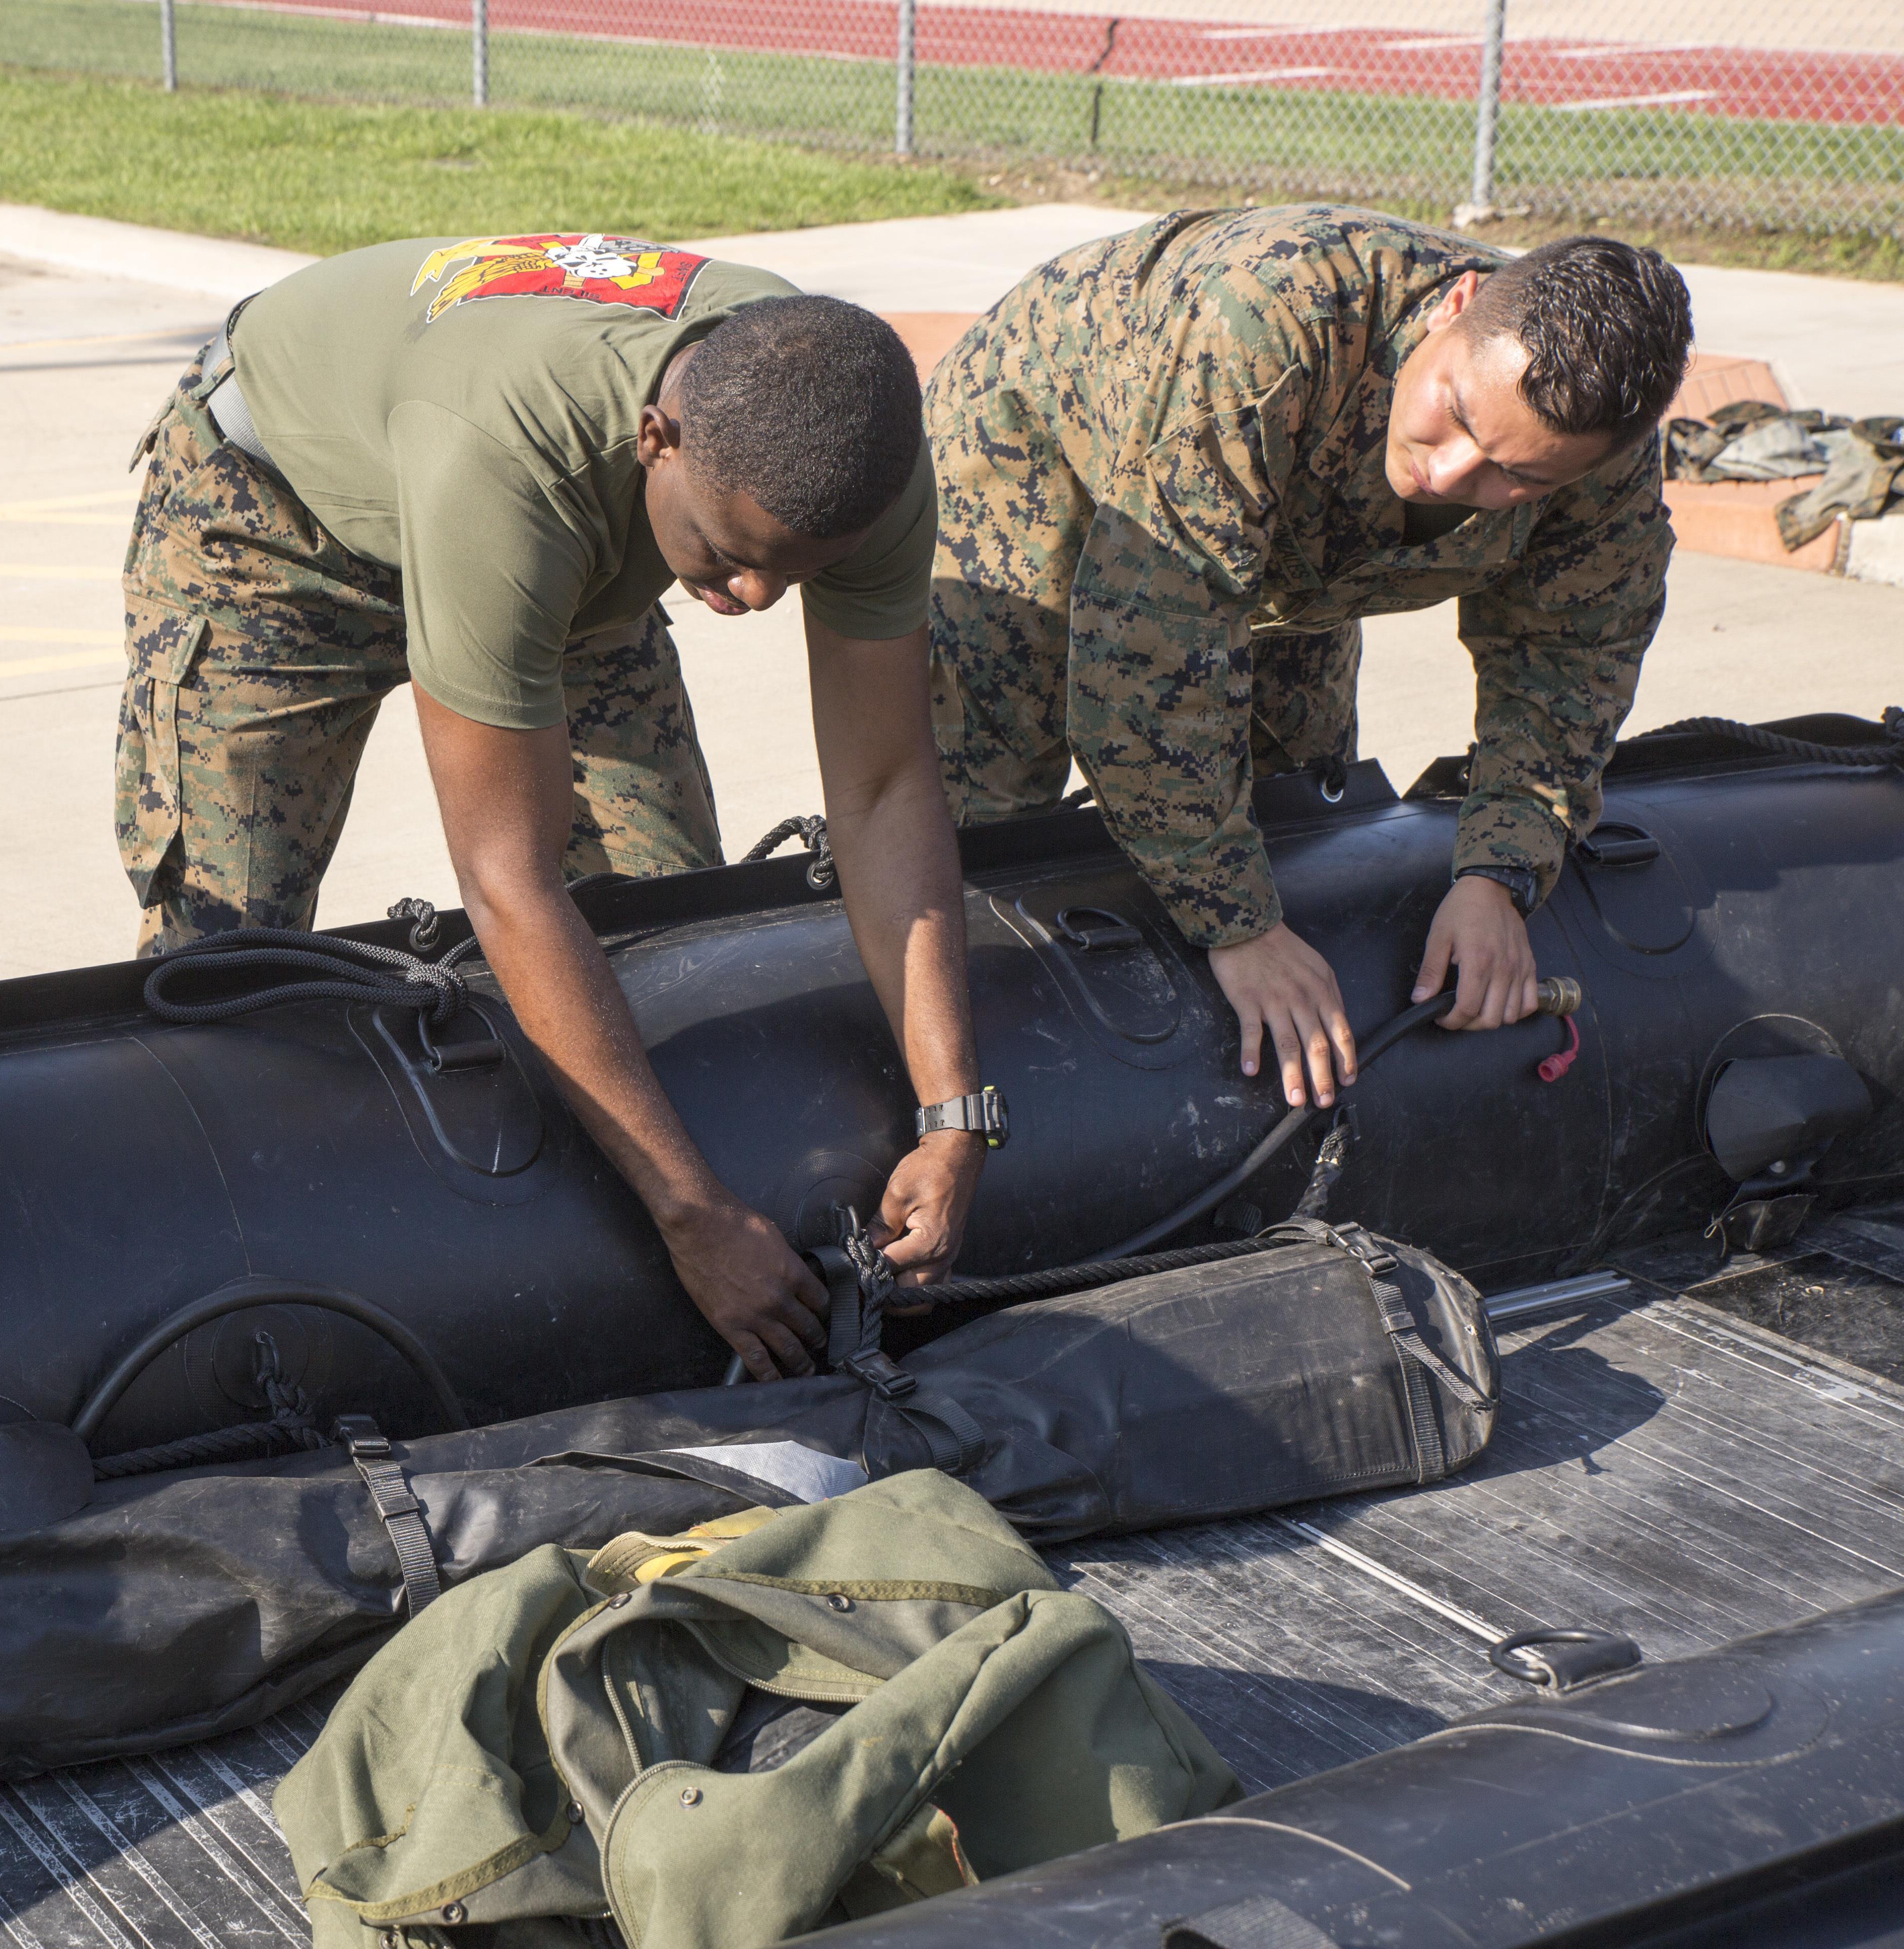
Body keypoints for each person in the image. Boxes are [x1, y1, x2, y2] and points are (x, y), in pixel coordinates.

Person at [118, 234, 991, 1379]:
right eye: (729, 558)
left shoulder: (839, 444)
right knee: (222, 965)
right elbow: (505, 879)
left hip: (579, 535)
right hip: (281, 530)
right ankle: (209, 1324)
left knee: (678, 918)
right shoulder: (508, 462)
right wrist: (692, 1217)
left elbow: (882, 787)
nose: (753, 600)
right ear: (656, 440)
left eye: (799, 574)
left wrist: (955, 1111)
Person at [923, 209, 1691, 1108]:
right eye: (1456, 415)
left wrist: (1500, 874)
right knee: (991, 812)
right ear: (1458, 305)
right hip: (1042, 446)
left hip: (1293, 542)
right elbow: (1149, 657)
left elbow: (1571, 662)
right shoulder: (1267, 323)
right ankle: (968, 1093)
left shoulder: (1602, 460)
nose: (1450, 475)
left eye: (1517, 478)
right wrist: (1236, 924)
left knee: (1300, 811)